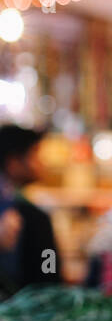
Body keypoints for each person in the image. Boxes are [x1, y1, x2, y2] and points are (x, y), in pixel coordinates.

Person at [0, 124, 61, 294]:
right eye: (35, 155)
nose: (41, 163)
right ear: (13, 163)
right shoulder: (32, 216)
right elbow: (48, 272)